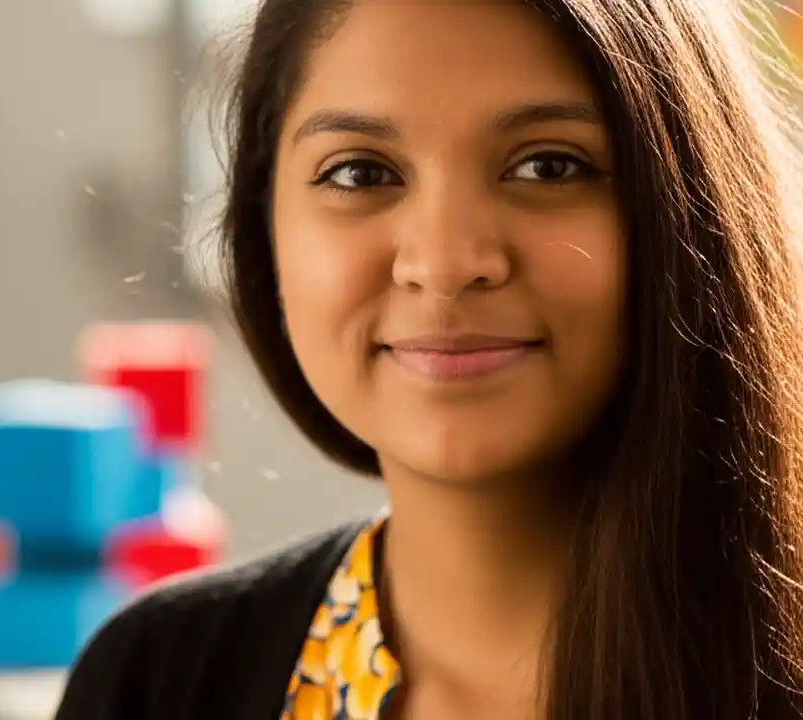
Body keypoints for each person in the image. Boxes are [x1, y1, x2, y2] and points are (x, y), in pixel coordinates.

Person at [54, 0, 803, 717]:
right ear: (262, 227)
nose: (444, 262)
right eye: (360, 173)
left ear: (696, 211)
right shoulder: (157, 680)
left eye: (548, 166)